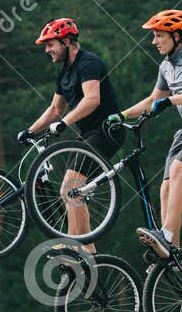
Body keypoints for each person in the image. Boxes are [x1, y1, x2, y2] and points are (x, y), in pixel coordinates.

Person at [107, 9, 182, 259]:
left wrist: (171, 101)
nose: (154, 42)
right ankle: (171, 250)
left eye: (158, 36)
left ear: (176, 35)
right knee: (165, 187)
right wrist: (122, 116)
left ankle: (166, 235)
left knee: (177, 171)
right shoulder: (166, 66)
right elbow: (153, 99)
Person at [16, 17, 122, 239]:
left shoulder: (89, 63)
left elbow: (92, 99)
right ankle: (87, 248)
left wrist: (65, 123)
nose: (47, 50)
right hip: (88, 135)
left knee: (70, 187)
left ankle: (75, 245)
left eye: (50, 44)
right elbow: (56, 108)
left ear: (66, 41)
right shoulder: (64, 72)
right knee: (73, 192)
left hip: (106, 131)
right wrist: (31, 131)